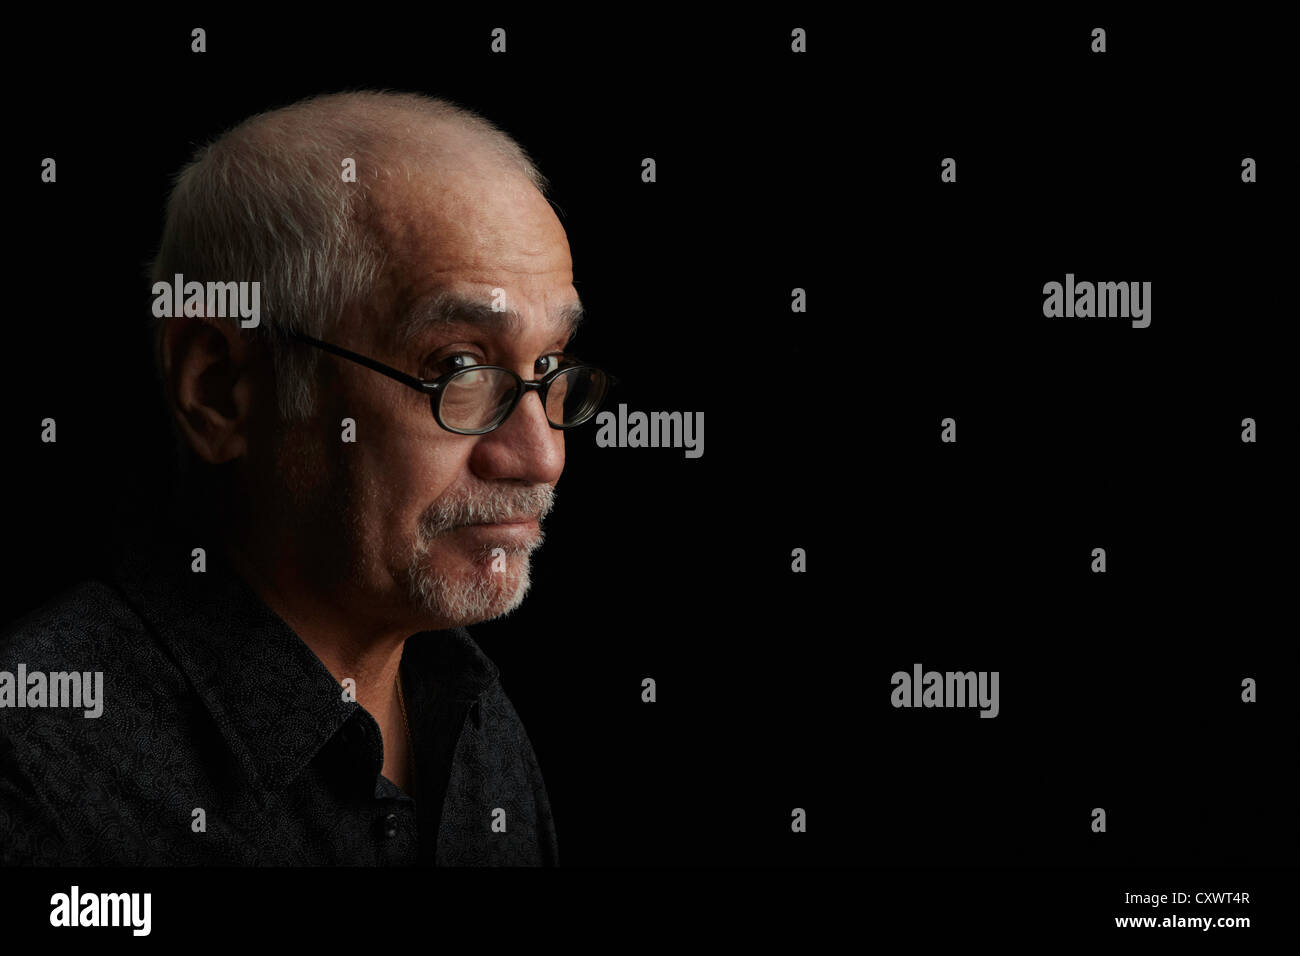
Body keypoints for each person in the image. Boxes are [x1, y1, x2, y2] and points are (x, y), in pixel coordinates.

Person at [0, 90, 612, 865]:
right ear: (221, 391)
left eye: (548, 368)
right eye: (458, 368)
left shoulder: (472, 713)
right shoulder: (39, 770)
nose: (542, 456)